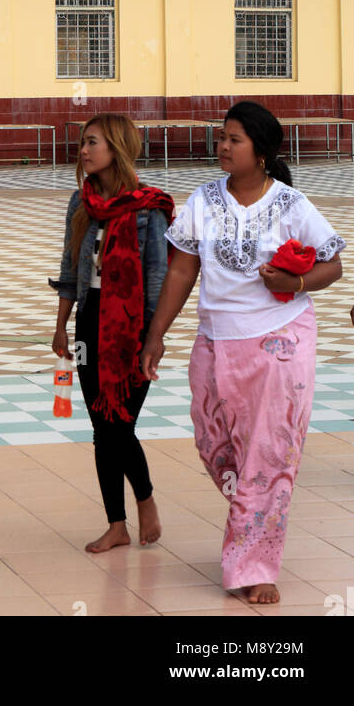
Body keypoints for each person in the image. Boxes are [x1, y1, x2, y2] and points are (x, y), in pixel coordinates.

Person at [141, 100, 345, 606]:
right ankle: (253, 519)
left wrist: (295, 280)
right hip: (217, 341)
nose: (223, 146)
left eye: (234, 139)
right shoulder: (202, 201)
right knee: (215, 444)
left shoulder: (291, 204)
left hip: (282, 340)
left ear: (262, 150)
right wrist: (156, 333)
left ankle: (254, 566)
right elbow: (183, 271)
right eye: (223, 137)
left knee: (269, 455)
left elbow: (332, 265)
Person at [50, 114, 174, 552]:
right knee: (101, 425)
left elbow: (158, 273)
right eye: (82, 143)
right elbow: (69, 268)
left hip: (132, 326)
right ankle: (117, 524)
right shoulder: (80, 203)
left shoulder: (148, 207)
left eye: (92, 143)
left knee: (121, 421)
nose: (83, 152)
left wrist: (153, 336)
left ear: (116, 148)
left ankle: (145, 501)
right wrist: (62, 325)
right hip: (90, 320)